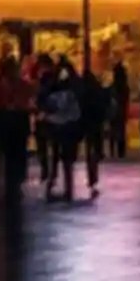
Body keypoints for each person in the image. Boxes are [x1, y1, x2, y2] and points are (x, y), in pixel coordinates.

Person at [0, 56, 35, 196]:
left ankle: (14, 181)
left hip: (13, 120)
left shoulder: (2, 85)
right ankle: (14, 181)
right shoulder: (2, 85)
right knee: (14, 153)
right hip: (12, 120)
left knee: (15, 153)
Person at [43, 59, 84, 202]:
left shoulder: (53, 89)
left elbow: (46, 102)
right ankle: (67, 186)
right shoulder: (75, 89)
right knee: (66, 158)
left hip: (57, 125)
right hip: (69, 125)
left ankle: (53, 182)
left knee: (56, 156)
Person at [81, 69, 108, 197]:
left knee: (89, 150)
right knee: (95, 149)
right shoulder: (98, 91)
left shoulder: (83, 92)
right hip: (97, 124)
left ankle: (91, 176)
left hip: (87, 124)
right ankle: (93, 175)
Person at [109, 62, 131, 158]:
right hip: (121, 110)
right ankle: (120, 151)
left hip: (114, 110)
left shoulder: (113, 86)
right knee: (121, 130)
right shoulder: (125, 87)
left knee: (113, 130)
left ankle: (113, 150)